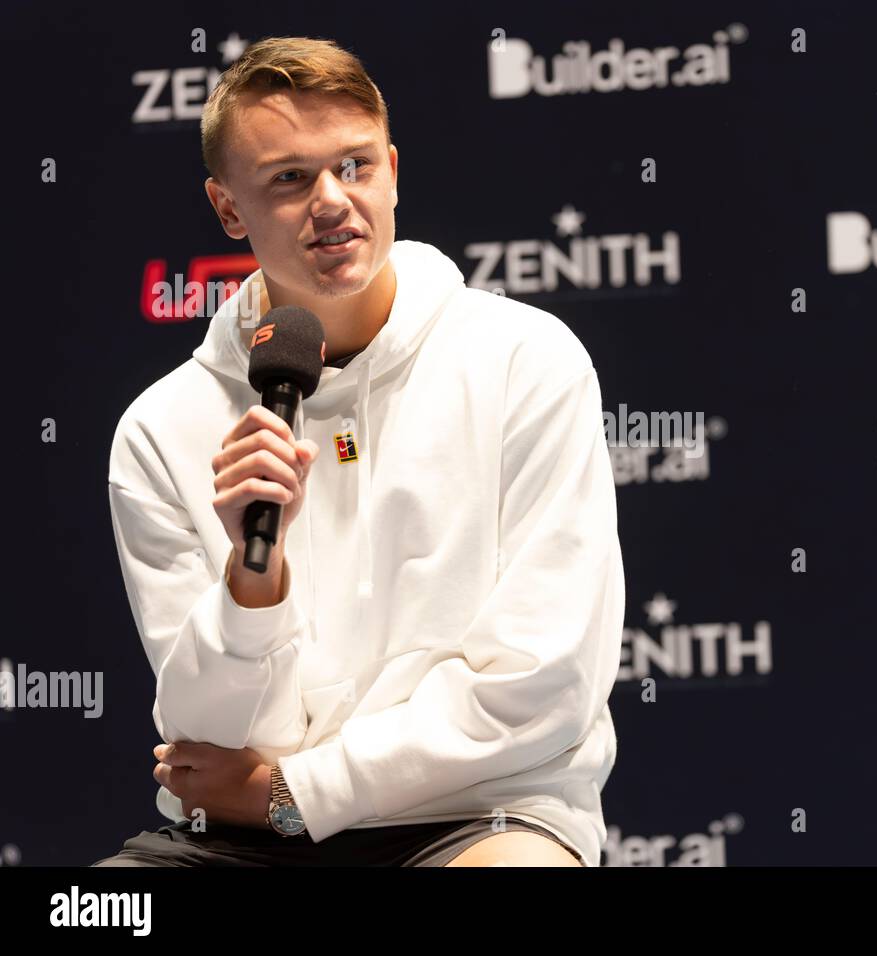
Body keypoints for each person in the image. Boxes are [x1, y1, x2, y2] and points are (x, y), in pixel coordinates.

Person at [91, 36, 624, 867]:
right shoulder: (162, 428)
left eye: (355, 165)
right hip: (239, 842)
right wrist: (251, 582)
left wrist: (295, 794)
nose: (333, 201)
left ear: (394, 170)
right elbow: (210, 749)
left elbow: (540, 687)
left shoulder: (526, 360)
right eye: (290, 179)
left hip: (481, 817)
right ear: (229, 209)